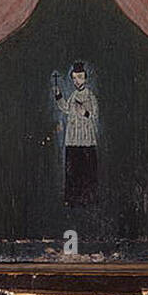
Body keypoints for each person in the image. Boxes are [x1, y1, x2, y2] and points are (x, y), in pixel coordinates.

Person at [54, 64, 99, 205]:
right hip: (73, 139)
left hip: (86, 140)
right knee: (73, 170)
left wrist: (84, 112)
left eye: (79, 77)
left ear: (85, 78)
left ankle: (88, 199)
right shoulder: (73, 95)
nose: (76, 81)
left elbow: (94, 114)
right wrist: (58, 96)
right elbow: (66, 108)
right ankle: (72, 199)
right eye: (74, 78)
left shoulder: (90, 95)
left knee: (86, 170)